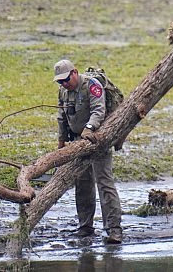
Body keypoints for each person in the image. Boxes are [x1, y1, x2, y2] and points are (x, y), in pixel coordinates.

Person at [54, 59, 123, 244]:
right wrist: (61, 142)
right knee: (82, 184)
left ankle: (114, 229)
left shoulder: (92, 85)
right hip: (77, 143)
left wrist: (89, 128)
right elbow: (62, 116)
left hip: (98, 140)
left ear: (74, 73)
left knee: (104, 182)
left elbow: (99, 111)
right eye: (60, 81)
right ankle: (85, 227)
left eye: (66, 80)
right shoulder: (63, 91)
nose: (64, 84)